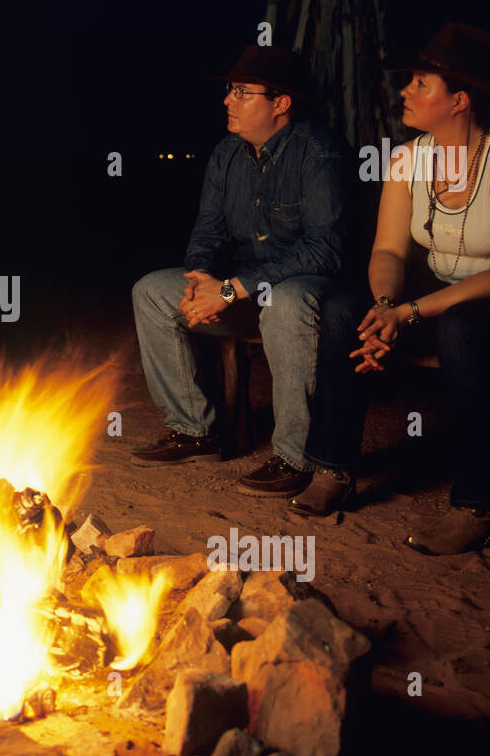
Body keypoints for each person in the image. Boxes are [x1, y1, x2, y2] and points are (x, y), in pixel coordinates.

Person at [288, 22, 490, 555]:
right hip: (428, 296)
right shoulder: (406, 159)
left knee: (460, 327)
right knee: (343, 310)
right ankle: (333, 468)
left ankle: (480, 505)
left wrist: (407, 314)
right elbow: (387, 252)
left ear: (460, 100)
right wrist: (384, 308)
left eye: (421, 84)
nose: (404, 91)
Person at [131, 44, 349, 497]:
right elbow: (208, 233)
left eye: (241, 92)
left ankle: (296, 457)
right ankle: (195, 430)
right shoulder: (227, 154)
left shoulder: (319, 152)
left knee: (286, 300)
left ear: (280, 103)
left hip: (306, 294)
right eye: (231, 91)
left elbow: (323, 251)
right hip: (244, 289)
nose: (227, 100)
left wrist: (228, 291)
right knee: (152, 290)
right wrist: (199, 283)